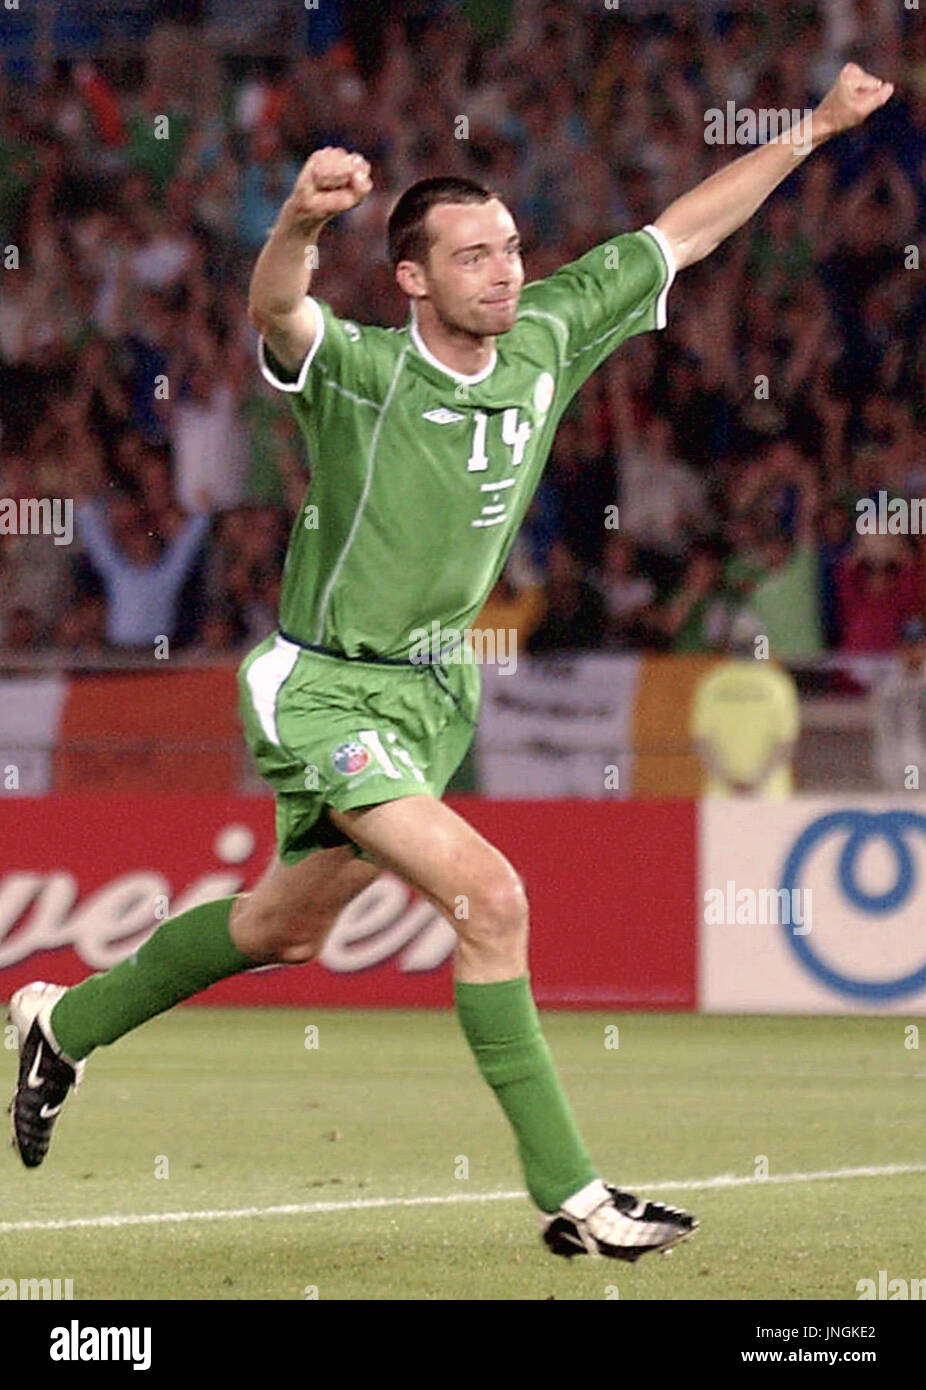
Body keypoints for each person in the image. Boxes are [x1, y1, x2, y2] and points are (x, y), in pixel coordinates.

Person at [11, 63, 893, 1263]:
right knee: (493, 898)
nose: (506, 269)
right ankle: (573, 1197)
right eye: (473, 255)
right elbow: (278, 311)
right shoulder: (361, 372)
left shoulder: (549, 333)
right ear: (414, 276)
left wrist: (817, 128)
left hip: (433, 689)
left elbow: (683, 230)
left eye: (511, 246)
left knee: (282, 930)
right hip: (323, 683)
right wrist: (299, 221)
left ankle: (64, 1023)